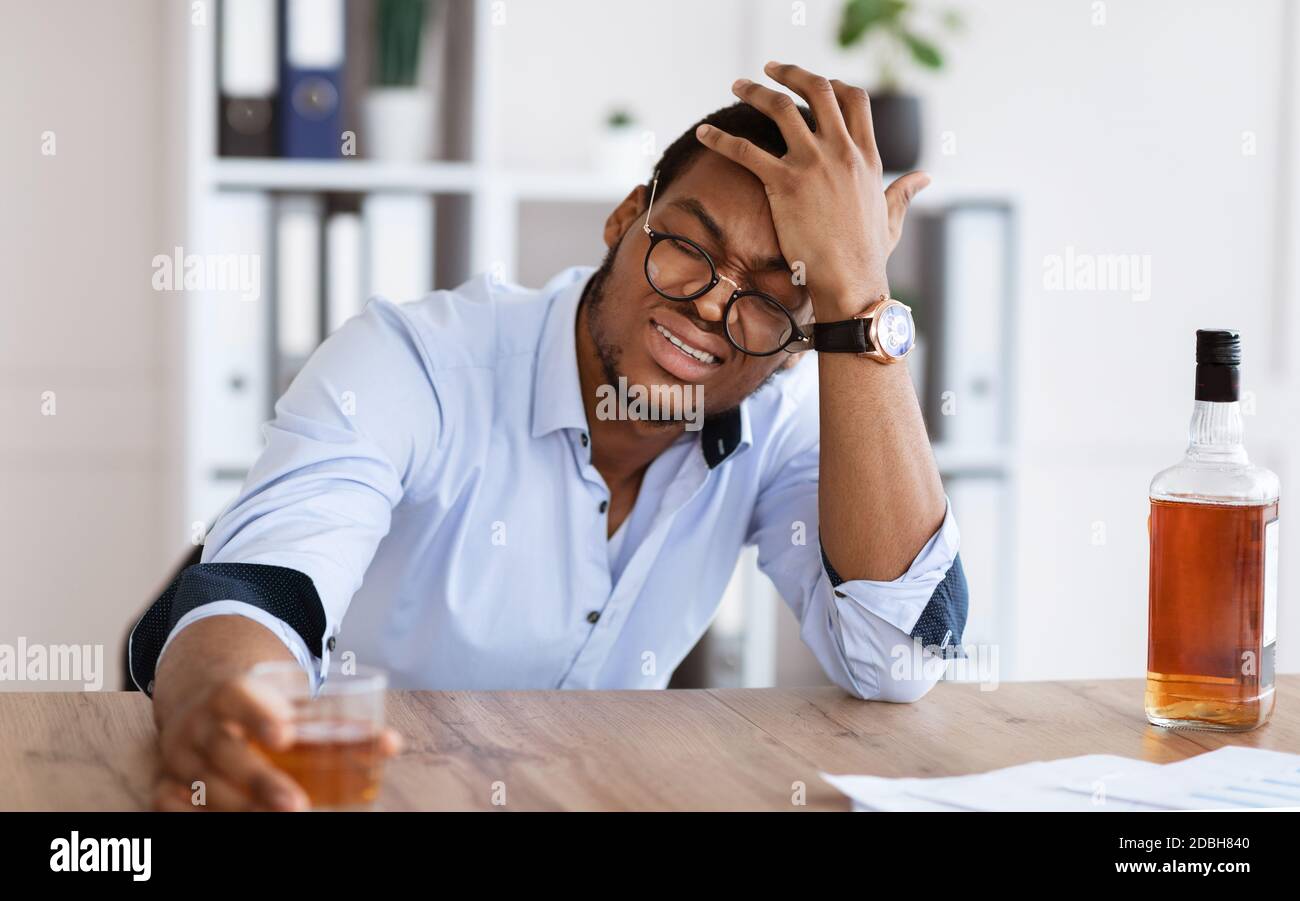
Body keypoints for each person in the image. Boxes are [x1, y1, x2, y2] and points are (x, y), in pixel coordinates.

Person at [134, 63, 966, 812]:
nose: (713, 305)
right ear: (622, 218)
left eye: (775, 298)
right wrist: (219, 703)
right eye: (687, 246)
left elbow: (897, 657)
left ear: (800, 341)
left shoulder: (779, 423)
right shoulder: (413, 365)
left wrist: (858, 302)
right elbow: (259, 592)